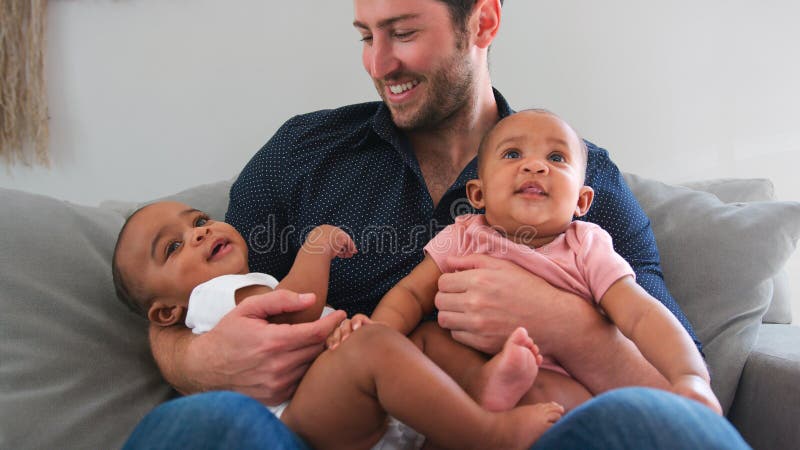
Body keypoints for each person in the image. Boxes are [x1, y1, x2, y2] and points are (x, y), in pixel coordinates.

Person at [125, 1, 750, 448]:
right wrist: (195, 360)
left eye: (402, 33)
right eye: (366, 36)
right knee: (197, 427)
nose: (378, 63)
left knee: (656, 425)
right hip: (340, 431)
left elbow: (684, 392)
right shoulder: (302, 152)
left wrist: (562, 322)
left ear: (483, 21)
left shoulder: (581, 182)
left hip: (536, 426)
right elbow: (196, 287)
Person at [333, 109, 722, 415]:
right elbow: (412, 294)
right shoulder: (464, 233)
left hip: (552, 378)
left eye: (556, 157)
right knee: (425, 339)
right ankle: (482, 392)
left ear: (582, 201)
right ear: (478, 194)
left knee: (559, 396)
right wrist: (378, 331)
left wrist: (689, 376)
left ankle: (494, 406)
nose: (535, 166)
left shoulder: (586, 246)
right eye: (513, 154)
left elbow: (641, 315)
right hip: (467, 373)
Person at [114, 200, 564, 450]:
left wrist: (345, 335)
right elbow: (296, 310)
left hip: (351, 410)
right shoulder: (210, 298)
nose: (198, 232)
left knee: (421, 338)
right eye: (172, 247)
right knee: (373, 347)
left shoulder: (249, 284)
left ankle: (475, 390)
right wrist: (317, 246)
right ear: (166, 313)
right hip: (302, 422)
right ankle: (489, 434)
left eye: (199, 220)